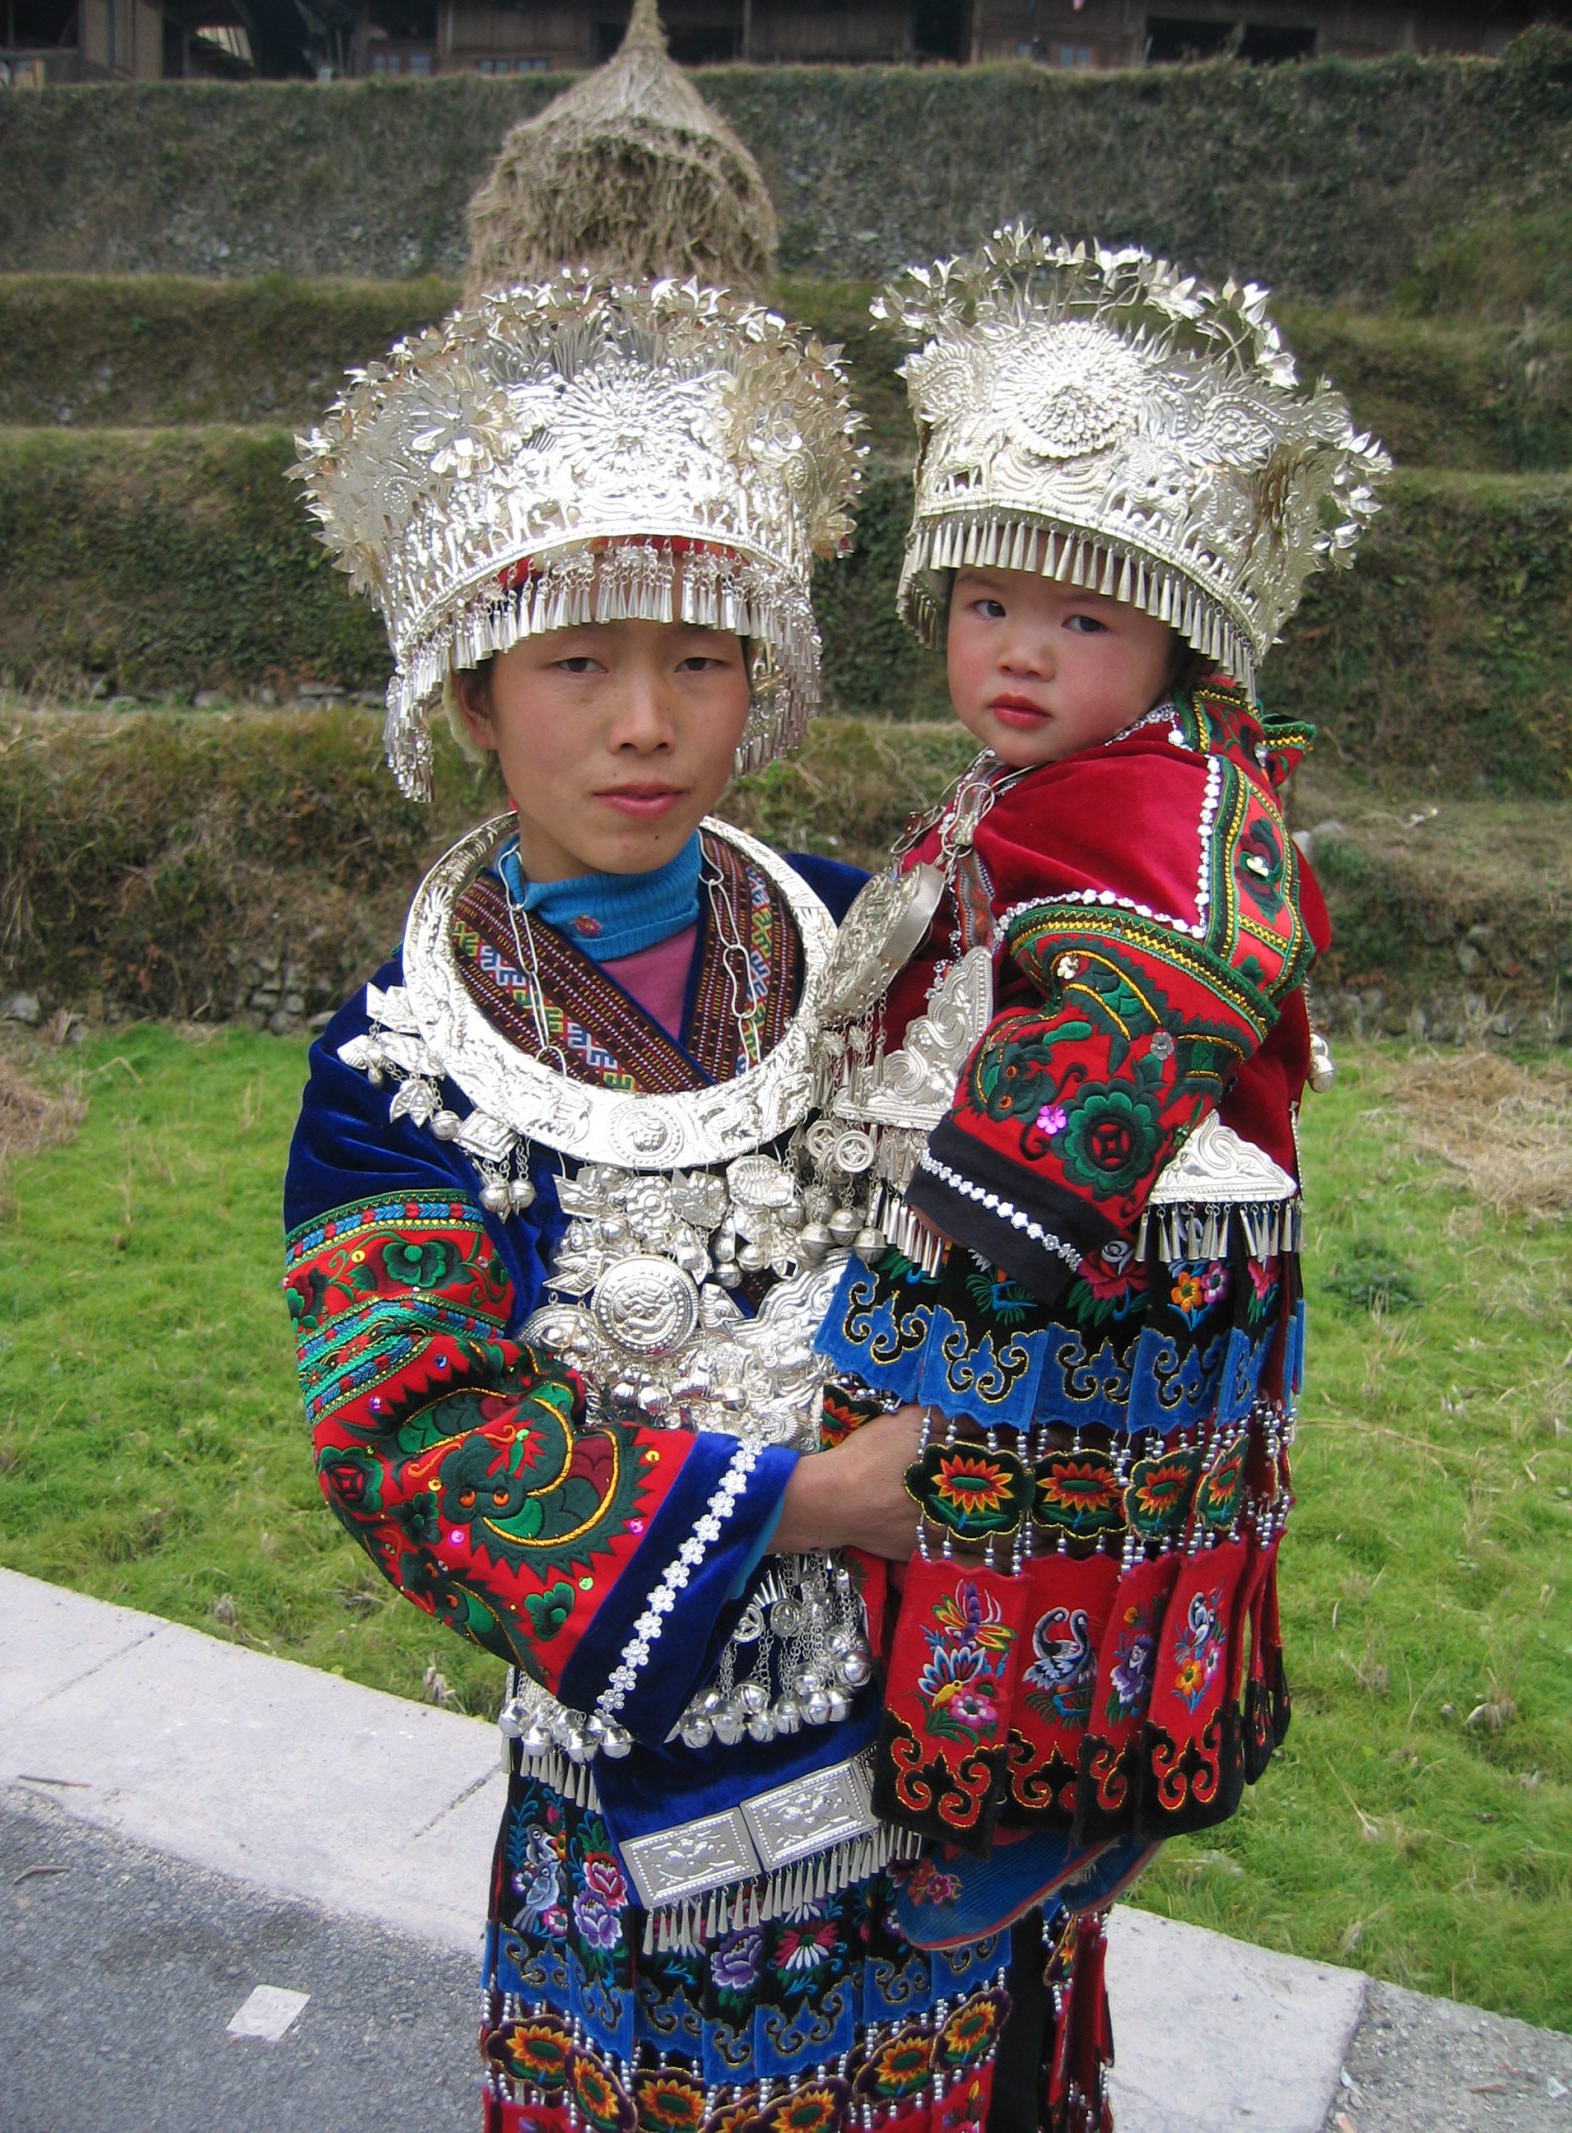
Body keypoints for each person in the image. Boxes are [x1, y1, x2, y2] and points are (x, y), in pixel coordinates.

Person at [282, 276, 1028, 2133]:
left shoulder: (870, 939)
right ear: (466, 691)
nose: (643, 723)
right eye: (574, 662)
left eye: (698, 659)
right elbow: (417, 1439)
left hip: (942, 1733)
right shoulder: (395, 1078)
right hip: (645, 1821)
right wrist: (807, 1497)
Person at [806, 229, 1390, 2127]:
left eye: (1079, 620)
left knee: (1036, 1543)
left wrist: (973, 1231)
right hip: (1027, 1241)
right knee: (973, 1521)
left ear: (1173, 644)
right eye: (987, 603)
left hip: (1098, 1268)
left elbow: (1152, 996)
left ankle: (1045, 1803)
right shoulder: (1035, 778)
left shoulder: (1177, 797)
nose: (1019, 650)